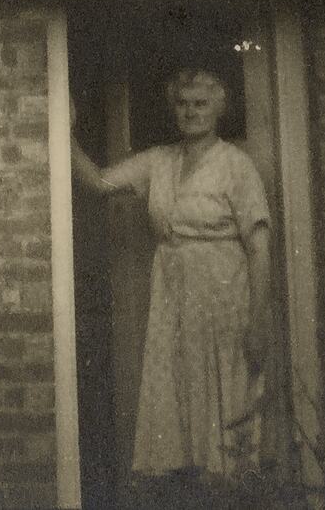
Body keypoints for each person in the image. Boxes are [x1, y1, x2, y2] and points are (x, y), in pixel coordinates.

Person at [71, 66, 272, 492]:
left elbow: (259, 247)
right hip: (174, 302)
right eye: (182, 104)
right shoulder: (158, 162)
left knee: (226, 409)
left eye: (201, 104)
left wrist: (257, 321)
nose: (190, 112)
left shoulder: (236, 165)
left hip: (224, 302)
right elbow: (97, 181)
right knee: (178, 406)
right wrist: (61, 128)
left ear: (219, 109)